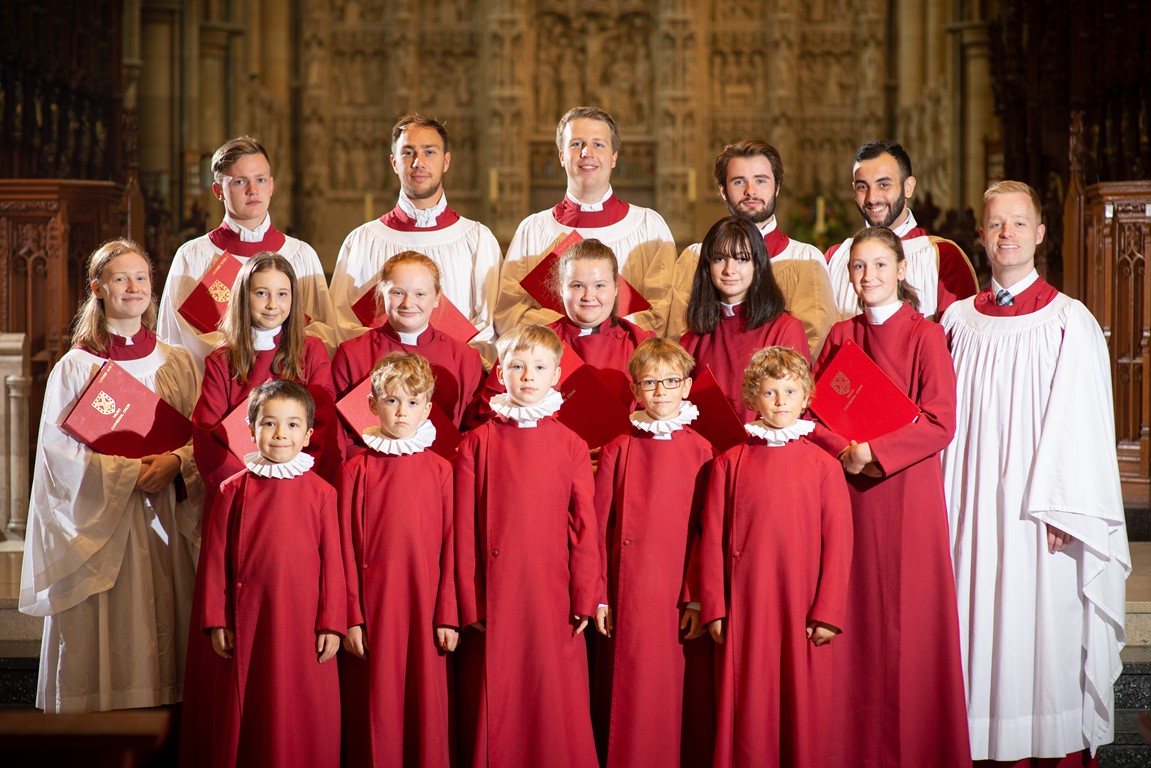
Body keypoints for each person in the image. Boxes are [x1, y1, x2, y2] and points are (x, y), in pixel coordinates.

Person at [941, 181, 1130, 765]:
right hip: (971, 501)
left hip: (1041, 513)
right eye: (997, 224)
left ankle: (1044, 747)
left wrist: (1068, 508)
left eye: (1019, 224)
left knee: (1038, 625)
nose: (1007, 235)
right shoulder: (955, 322)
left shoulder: (1069, 322)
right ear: (982, 236)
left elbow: (1085, 424)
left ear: (1040, 234)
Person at [810, 227, 970, 767]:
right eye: (858, 267)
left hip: (907, 495)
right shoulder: (840, 336)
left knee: (906, 624)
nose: (868, 276)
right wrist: (845, 450)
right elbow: (810, 412)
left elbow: (941, 421)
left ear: (901, 271)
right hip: (850, 496)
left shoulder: (926, 336)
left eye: (879, 265)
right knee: (855, 622)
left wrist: (871, 452)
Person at [19, 238, 202, 713]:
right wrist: (131, 473)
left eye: (141, 277)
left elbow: (202, 434)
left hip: (167, 516)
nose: (133, 287)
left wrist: (177, 463)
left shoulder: (175, 361)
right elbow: (58, 458)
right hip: (105, 526)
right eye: (120, 279)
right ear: (98, 288)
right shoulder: (77, 368)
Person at [179, 252, 340, 767]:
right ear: (243, 298)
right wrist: (248, 487)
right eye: (261, 293)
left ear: (296, 303)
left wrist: (286, 483)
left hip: (297, 501)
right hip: (242, 505)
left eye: (283, 294)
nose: (272, 304)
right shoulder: (222, 361)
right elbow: (207, 437)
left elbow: (326, 427)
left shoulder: (312, 353)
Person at [454, 324, 600, 768]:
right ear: (501, 371)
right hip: (498, 594)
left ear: (556, 375)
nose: (528, 376)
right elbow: (462, 529)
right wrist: (470, 599)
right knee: (499, 703)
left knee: (553, 697)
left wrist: (586, 597)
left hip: (552, 593)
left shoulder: (571, 444)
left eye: (539, 367)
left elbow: (584, 529)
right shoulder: (476, 443)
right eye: (517, 366)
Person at [700, 346, 852, 768]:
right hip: (746, 607)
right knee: (747, 704)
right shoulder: (728, 464)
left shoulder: (825, 467)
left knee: (800, 706)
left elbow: (838, 545)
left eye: (789, 391)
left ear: (806, 398)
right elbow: (711, 539)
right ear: (753, 399)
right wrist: (714, 606)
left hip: (802, 607)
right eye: (770, 392)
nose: (781, 401)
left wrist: (828, 612)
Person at [201, 380, 345, 768]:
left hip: (304, 623)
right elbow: (216, 560)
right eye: (269, 424)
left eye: (293, 425)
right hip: (250, 620)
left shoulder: (322, 493)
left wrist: (332, 623)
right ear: (250, 430)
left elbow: (334, 563)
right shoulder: (232, 491)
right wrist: (218, 619)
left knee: (301, 709)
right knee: (252, 704)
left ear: (309, 434)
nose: (281, 434)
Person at [592, 337, 715, 768]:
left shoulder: (703, 452)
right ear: (635, 390)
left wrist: (697, 596)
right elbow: (596, 527)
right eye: (649, 382)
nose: (660, 390)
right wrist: (600, 594)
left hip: (677, 595)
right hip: (627, 591)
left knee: (673, 695)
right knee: (627, 694)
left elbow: (708, 532)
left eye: (670, 381)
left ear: (686, 387)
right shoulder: (617, 449)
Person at [337, 351, 457, 768]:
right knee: (376, 705)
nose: (401, 411)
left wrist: (448, 615)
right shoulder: (356, 470)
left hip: (425, 609)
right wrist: (351, 616)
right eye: (391, 400)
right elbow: (344, 550)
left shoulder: (442, 469)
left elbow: (452, 547)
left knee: (426, 705)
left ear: (427, 408)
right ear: (372, 405)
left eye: (411, 402)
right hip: (373, 608)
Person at [495, 106, 682, 338]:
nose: (587, 152)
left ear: (614, 157)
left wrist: (602, 335)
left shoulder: (649, 227)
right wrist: (572, 329)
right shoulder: (533, 229)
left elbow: (664, 311)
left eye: (598, 144)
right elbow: (510, 312)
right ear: (562, 156)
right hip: (555, 365)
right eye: (576, 144)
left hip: (629, 364)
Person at [157, 135, 339, 370]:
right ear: (217, 190)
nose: (253, 190)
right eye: (240, 182)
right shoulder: (193, 256)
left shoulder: (300, 255)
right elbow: (175, 341)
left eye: (260, 180)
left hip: (285, 388)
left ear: (271, 186)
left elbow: (325, 333)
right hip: (215, 388)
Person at [330, 114, 501, 362]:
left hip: (454, 379)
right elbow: (341, 326)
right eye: (408, 152)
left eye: (429, 152)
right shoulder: (362, 241)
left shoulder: (477, 240)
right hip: (382, 383)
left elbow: (489, 328)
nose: (418, 162)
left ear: (446, 161)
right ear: (394, 162)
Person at [677, 139, 837, 356]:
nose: (750, 192)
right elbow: (678, 340)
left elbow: (815, 345)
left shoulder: (805, 260)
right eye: (738, 182)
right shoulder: (695, 257)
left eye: (761, 181)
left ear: (777, 187)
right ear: (723, 190)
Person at [478, 238, 652, 416]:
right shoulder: (528, 342)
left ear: (615, 289)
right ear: (561, 289)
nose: (588, 296)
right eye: (577, 286)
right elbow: (490, 410)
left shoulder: (641, 343)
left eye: (600, 285)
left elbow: (659, 409)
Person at [331, 251, 484, 446]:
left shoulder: (465, 357)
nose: (408, 303)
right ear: (381, 293)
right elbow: (339, 434)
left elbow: (474, 432)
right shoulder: (352, 354)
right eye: (398, 293)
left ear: (437, 297)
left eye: (420, 294)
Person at [825, 139, 978, 321]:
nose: (872, 198)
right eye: (862, 187)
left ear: (908, 187)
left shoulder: (942, 256)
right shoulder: (835, 257)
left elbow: (960, 340)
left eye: (883, 185)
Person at [679, 216, 809, 422]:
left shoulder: (785, 329)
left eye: (741, 259)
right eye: (719, 259)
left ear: (758, 265)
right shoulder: (692, 338)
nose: (729, 270)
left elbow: (794, 407)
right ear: (707, 266)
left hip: (764, 447)